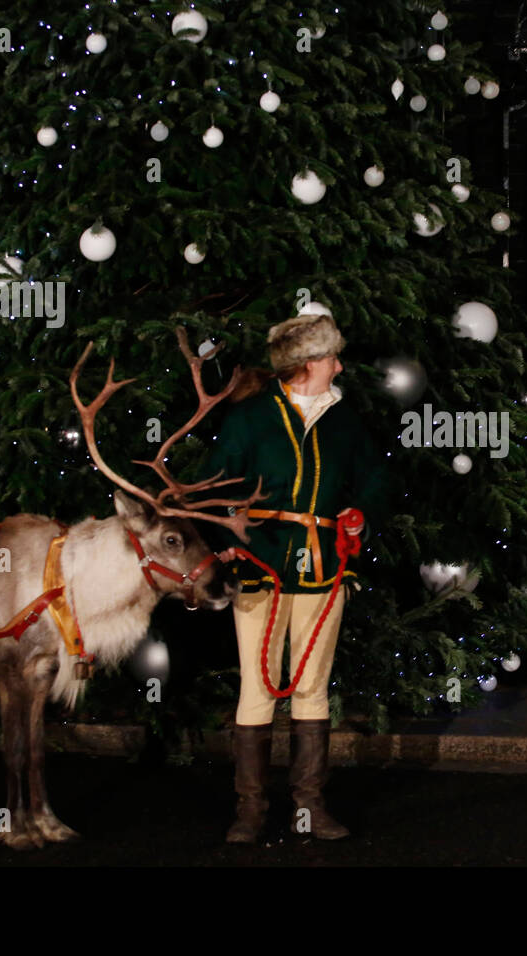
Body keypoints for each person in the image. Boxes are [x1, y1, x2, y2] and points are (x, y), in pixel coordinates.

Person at [202, 313, 388, 842]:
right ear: (309, 364)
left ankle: (309, 808)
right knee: (258, 688)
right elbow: (213, 486)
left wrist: (360, 515)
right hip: (261, 563)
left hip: (325, 567)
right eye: (332, 357)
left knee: (311, 687)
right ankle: (251, 812)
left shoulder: (345, 420)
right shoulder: (250, 419)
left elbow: (377, 479)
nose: (340, 365)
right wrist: (227, 542)